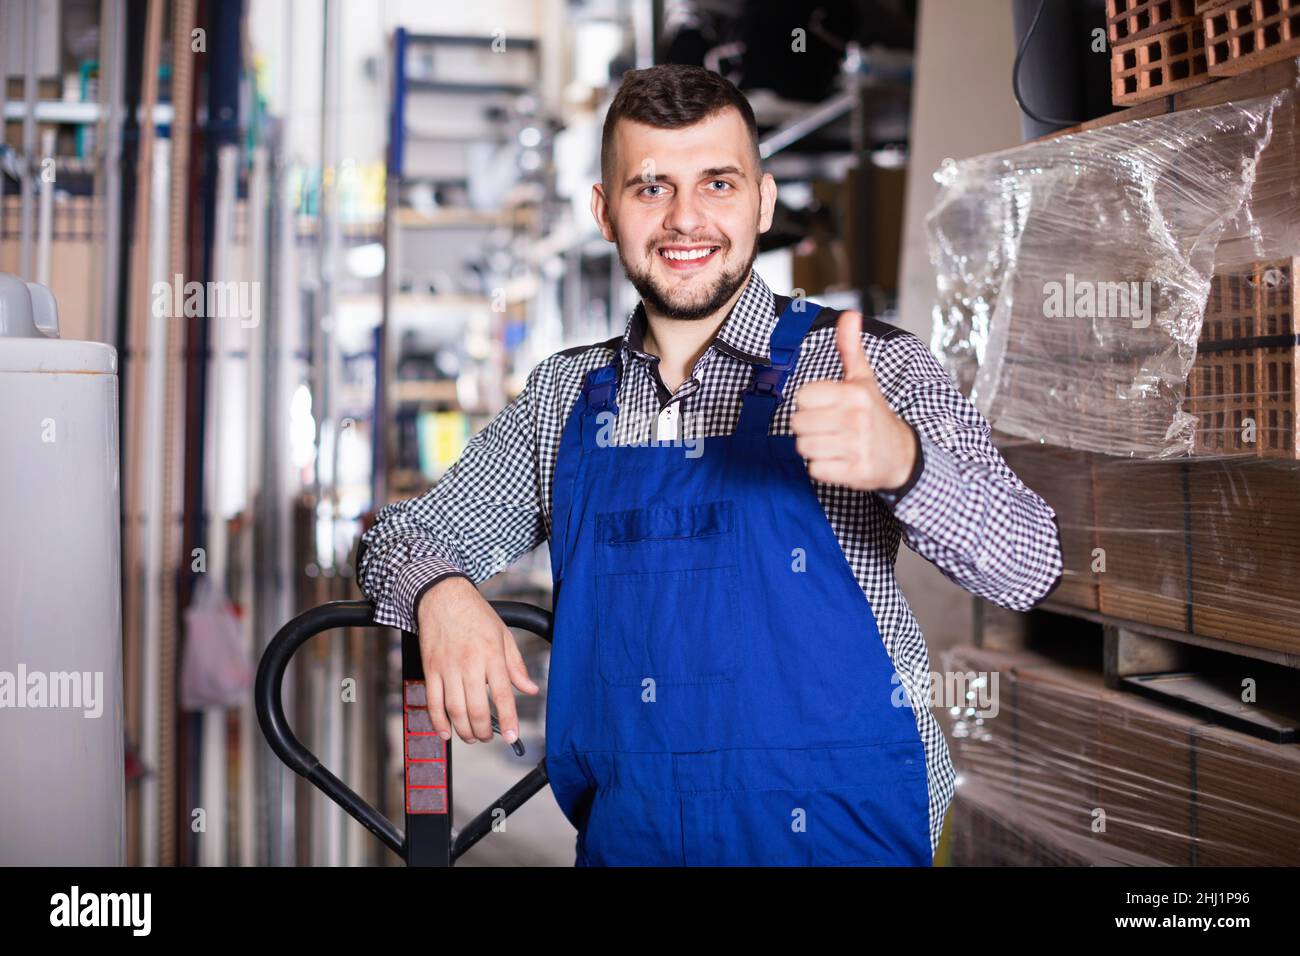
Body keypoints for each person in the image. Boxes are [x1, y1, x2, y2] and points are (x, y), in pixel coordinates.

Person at [358, 63, 1063, 866]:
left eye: (718, 183)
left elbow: (1029, 565)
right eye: (650, 187)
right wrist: (441, 594)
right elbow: (401, 537)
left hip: (849, 841)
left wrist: (907, 465)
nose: (684, 220)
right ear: (604, 210)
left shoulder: (869, 367)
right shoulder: (566, 397)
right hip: (635, 842)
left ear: (763, 201)